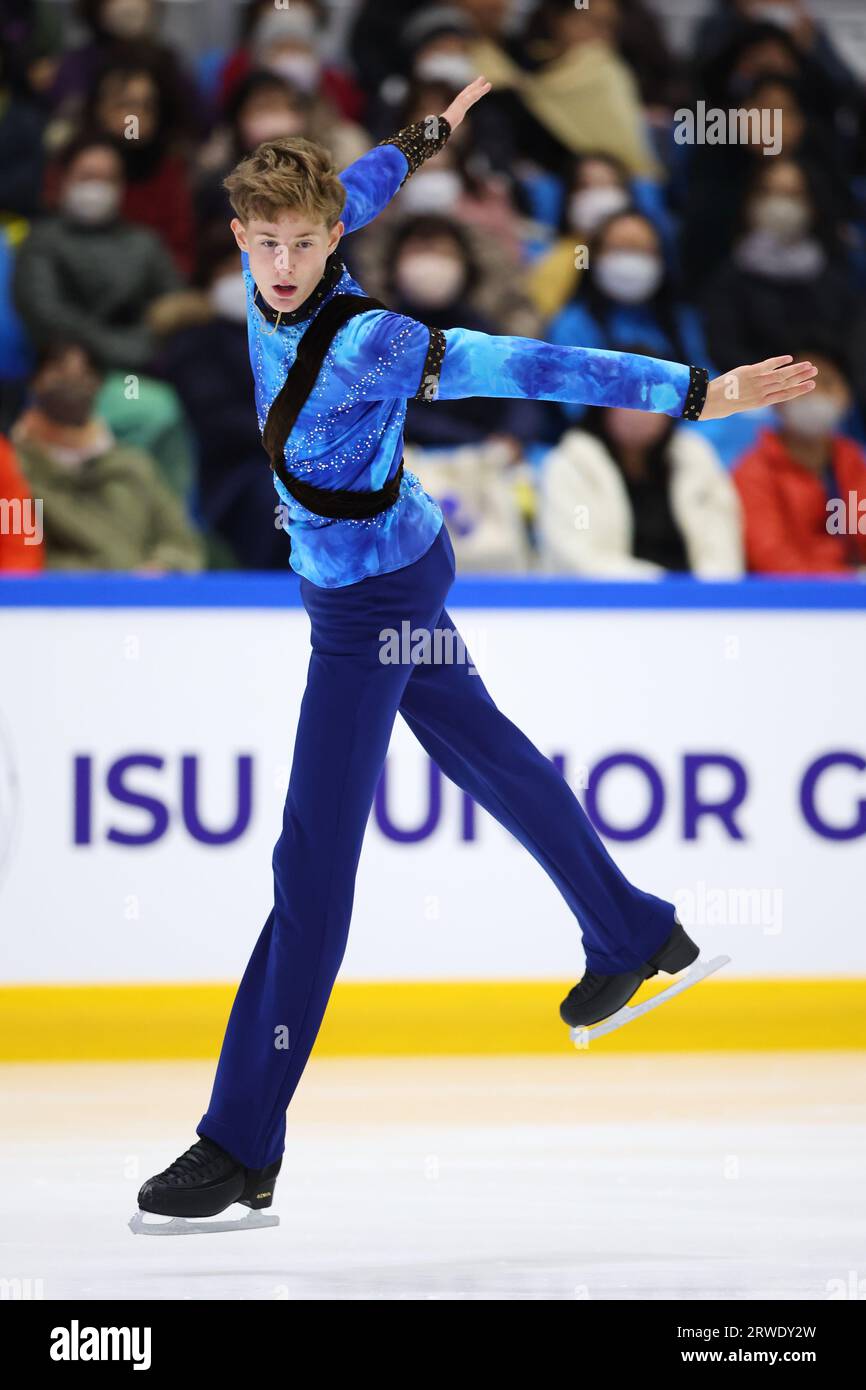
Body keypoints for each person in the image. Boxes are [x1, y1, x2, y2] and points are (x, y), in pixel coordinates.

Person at [131, 79, 818, 1229]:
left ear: (333, 242)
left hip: (364, 604)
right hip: (398, 563)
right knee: (488, 753)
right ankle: (634, 931)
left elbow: (527, 364)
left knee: (308, 875)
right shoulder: (289, 242)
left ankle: (239, 1139)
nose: (288, 263)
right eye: (268, 244)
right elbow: (363, 180)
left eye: (306, 243)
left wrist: (691, 390)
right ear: (242, 236)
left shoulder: (374, 341)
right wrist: (425, 131)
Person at [11, 341, 203, 572]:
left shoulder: (133, 466)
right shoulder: (14, 469)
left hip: (135, 601)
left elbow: (181, 543)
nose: (72, 382)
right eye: (59, 371)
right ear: (35, 382)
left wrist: (161, 567)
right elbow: (16, 557)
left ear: (99, 385)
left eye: (84, 373)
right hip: (54, 603)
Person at [539, 396, 743, 577]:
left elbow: (722, 544)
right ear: (602, 404)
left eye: (652, 402)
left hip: (697, 606)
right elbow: (575, 552)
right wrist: (658, 586)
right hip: (605, 606)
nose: (639, 414)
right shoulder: (573, 465)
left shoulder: (695, 458)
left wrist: (706, 594)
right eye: (628, 401)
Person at [733, 348, 866, 573]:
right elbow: (770, 557)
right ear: (775, 399)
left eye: (826, 383)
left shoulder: (851, 460)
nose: (814, 395)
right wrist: (845, 579)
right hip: (791, 600)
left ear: (846, 395)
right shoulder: (754, 471)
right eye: (801, 385)